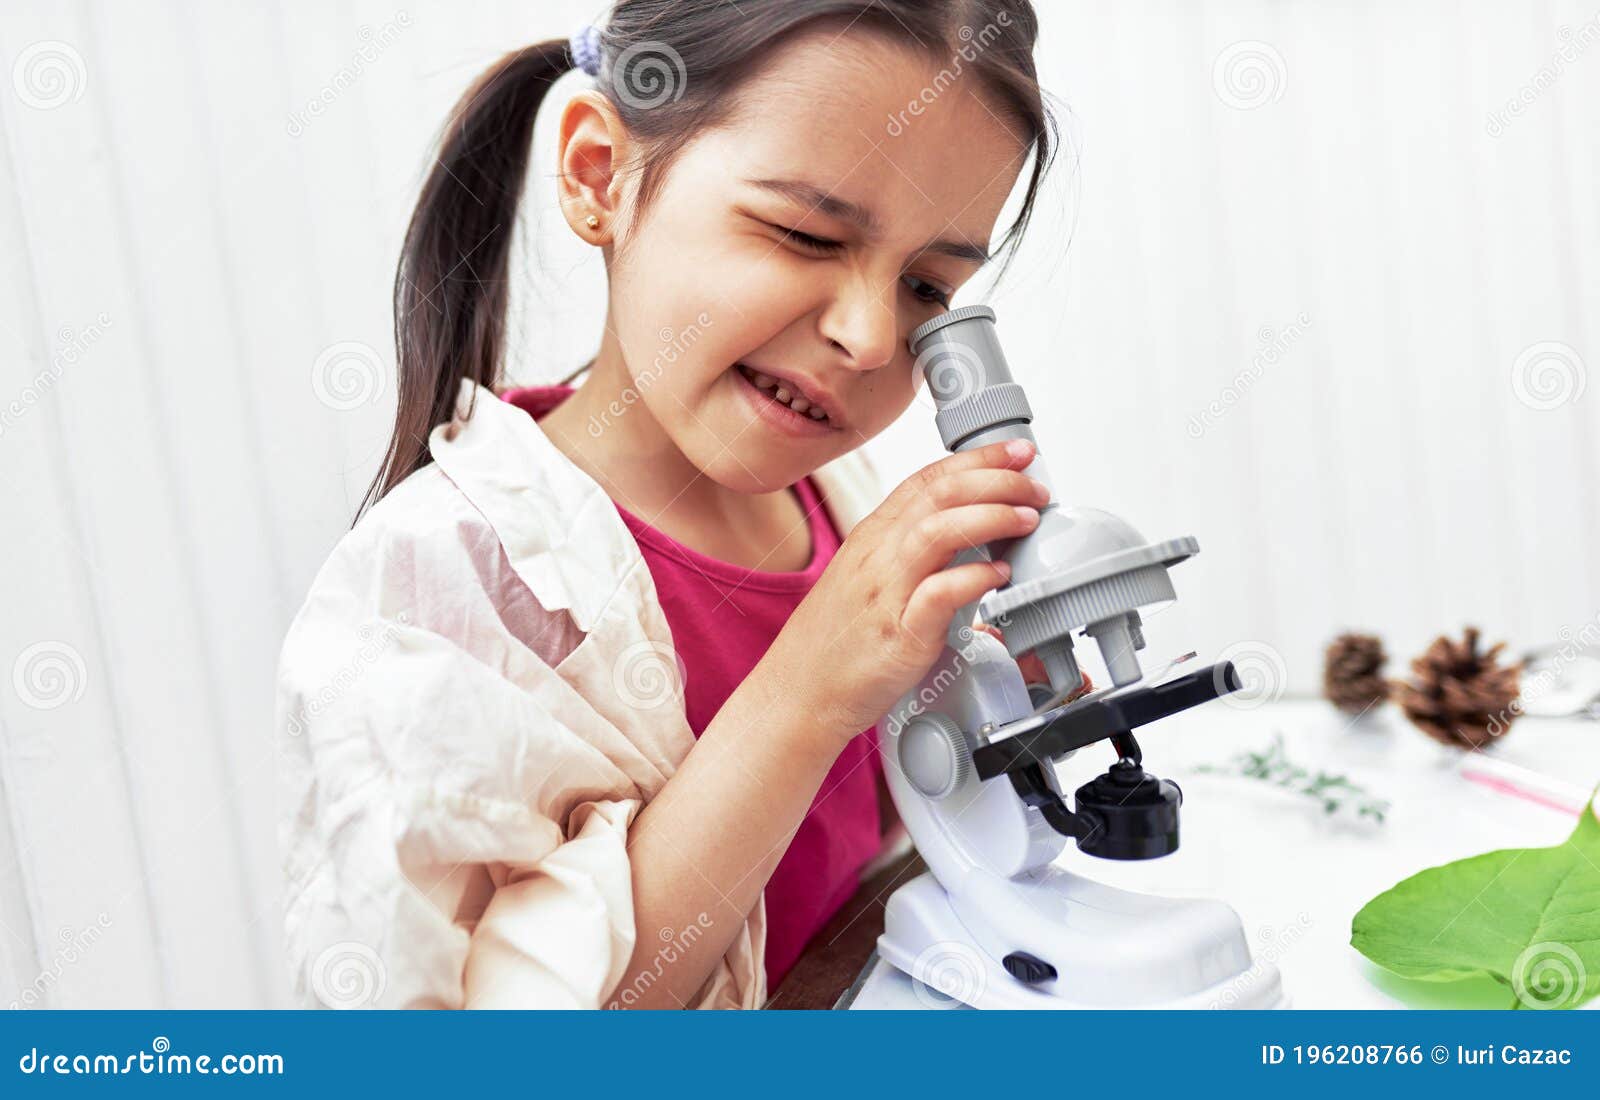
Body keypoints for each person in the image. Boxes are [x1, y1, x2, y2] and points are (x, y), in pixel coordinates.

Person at [278, 0, 1067, 1009]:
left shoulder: (831, 500)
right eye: (804, 233)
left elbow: (857, 860)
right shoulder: (438, 585)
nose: (871, 336)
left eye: (925, 285)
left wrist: (972, 692)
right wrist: (804, 693)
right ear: (599, 174)